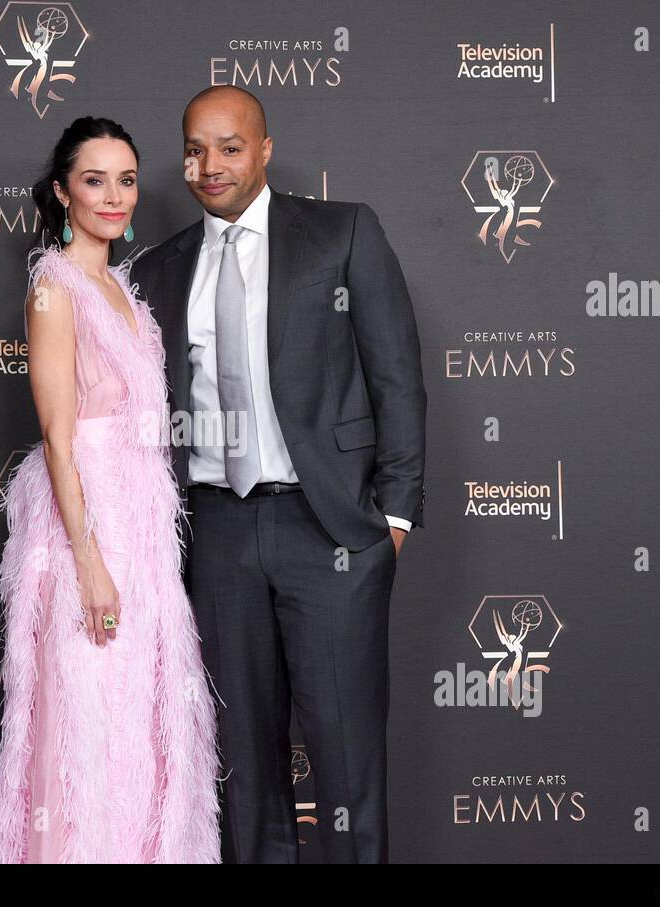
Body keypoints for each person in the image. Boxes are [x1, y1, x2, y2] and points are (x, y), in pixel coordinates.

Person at [129, 86, 427, 863]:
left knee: (345, 756)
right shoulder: (157, 270)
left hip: (326, 529)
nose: (210, 164)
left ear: (264, 150)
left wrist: (392, 520)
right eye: (194, 148)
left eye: (230, 147)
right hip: (218, 535)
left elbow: (396, 378)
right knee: (241, 768)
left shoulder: (341, 233)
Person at [0, 117, 220, 864]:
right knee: (88, 735)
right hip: (89, 537)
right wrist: (88, 559)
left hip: (142, 540)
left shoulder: (120, 287)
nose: (113, 197)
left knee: (139, 730)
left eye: (125, 179)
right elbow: (57, 434)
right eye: (94, 180)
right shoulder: (54, 288)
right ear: (62, 192)